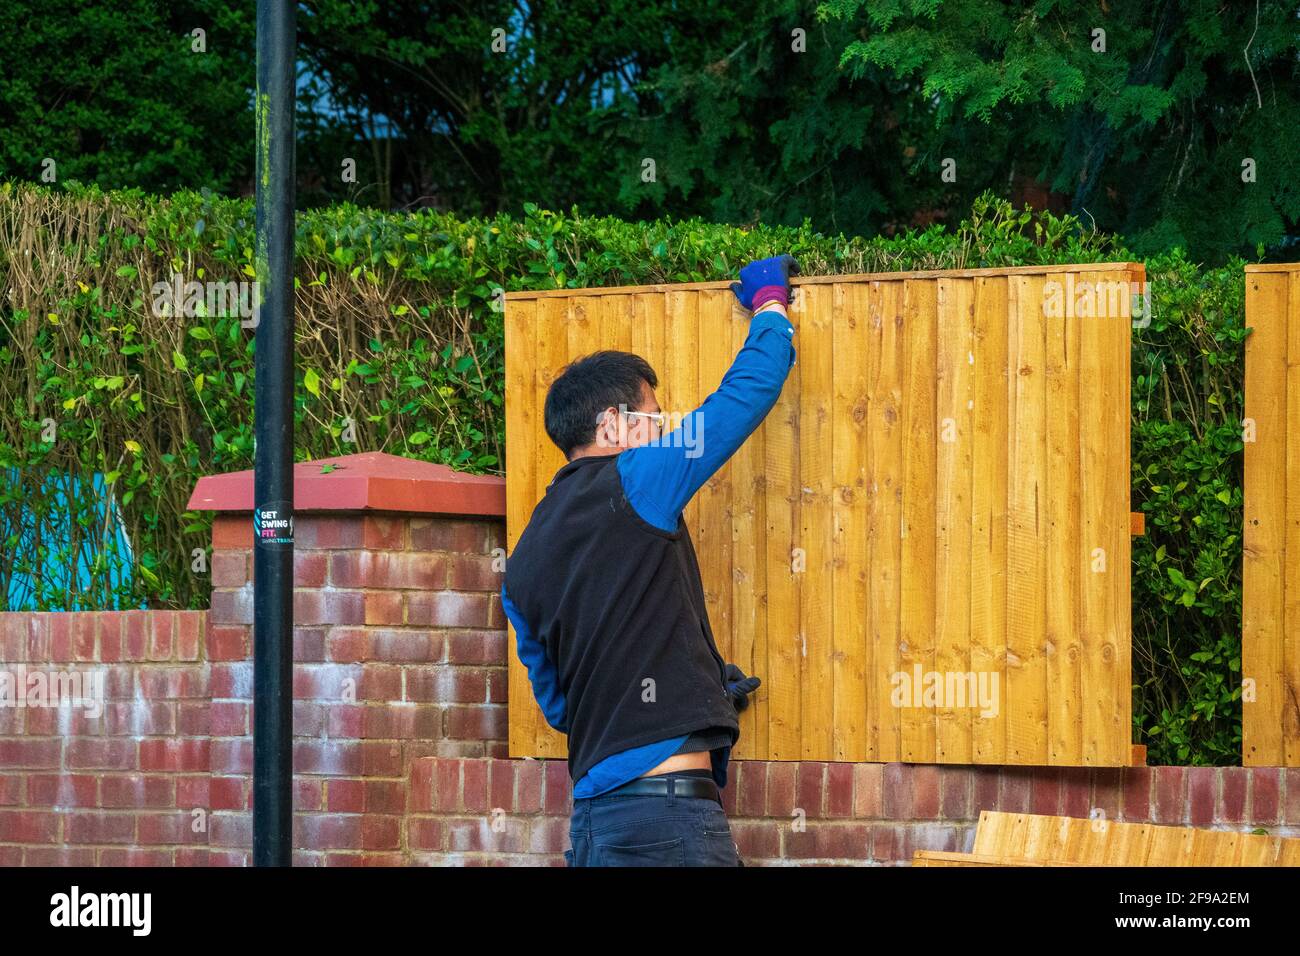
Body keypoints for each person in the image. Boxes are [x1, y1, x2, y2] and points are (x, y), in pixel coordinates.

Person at [501, 254, 800, 866]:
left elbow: (561, 707)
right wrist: (770, 303)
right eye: (654, 419)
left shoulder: (522, 561)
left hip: (593, 828)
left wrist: (689, 682)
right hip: (667, 821)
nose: (665, 432)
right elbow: (745, 397)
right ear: (614, 426)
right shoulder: (638, 478)